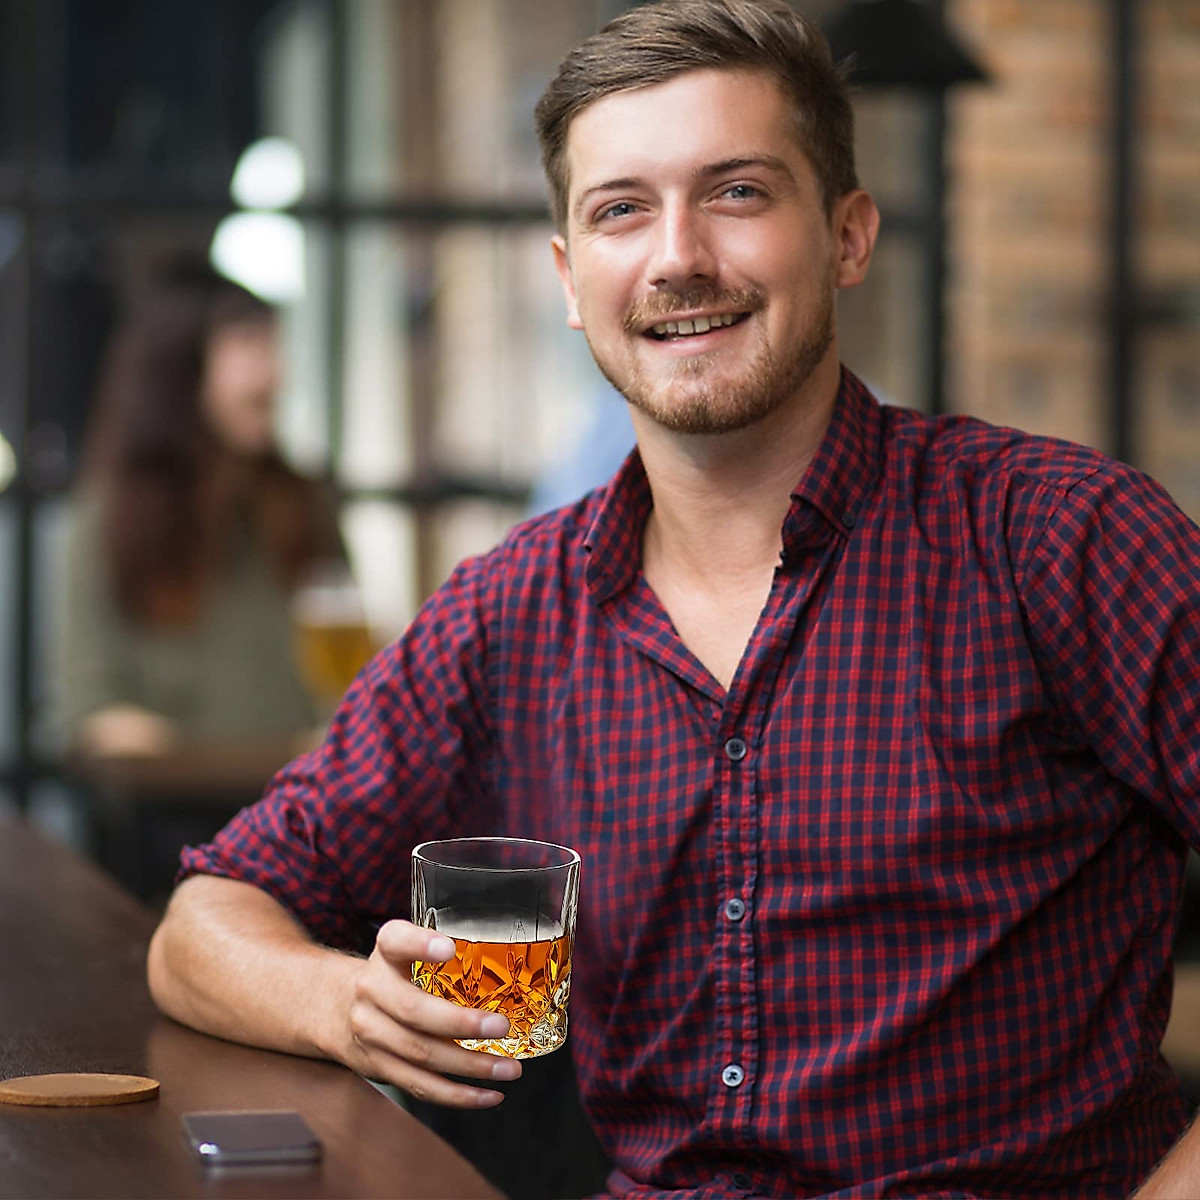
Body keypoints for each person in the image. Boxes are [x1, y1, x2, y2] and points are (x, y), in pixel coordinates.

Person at [146, 3, 1200, 1196]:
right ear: (567, 276)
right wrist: (345, 1004)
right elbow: (204, 923)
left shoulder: (1059, 537)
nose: (678, 256)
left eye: (738, 192)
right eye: (620, 209)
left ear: (848, 235)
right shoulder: (511, 613)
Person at [52, 254, 340, 759]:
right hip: (174, 818)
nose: (276, 371)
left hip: (304, 813)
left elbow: (355, 680)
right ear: (181, 368)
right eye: (251, 347)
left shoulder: (301, 501)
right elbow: (91, 708)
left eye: (275, 346)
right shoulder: (108, 519)